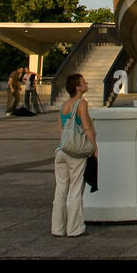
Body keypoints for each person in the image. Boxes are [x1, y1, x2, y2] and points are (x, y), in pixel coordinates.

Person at [52, 73, 97, 238]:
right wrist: (94, 147)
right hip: (75, 154)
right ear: (78, 87)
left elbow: (61, 129)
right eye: (83, 82)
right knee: (76, 190)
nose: (86, 83)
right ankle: (74, 228)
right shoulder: (81, 104)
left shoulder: (64, 105)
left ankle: (57, 228)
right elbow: (87, 127)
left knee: (60, 190)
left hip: (61, 151)